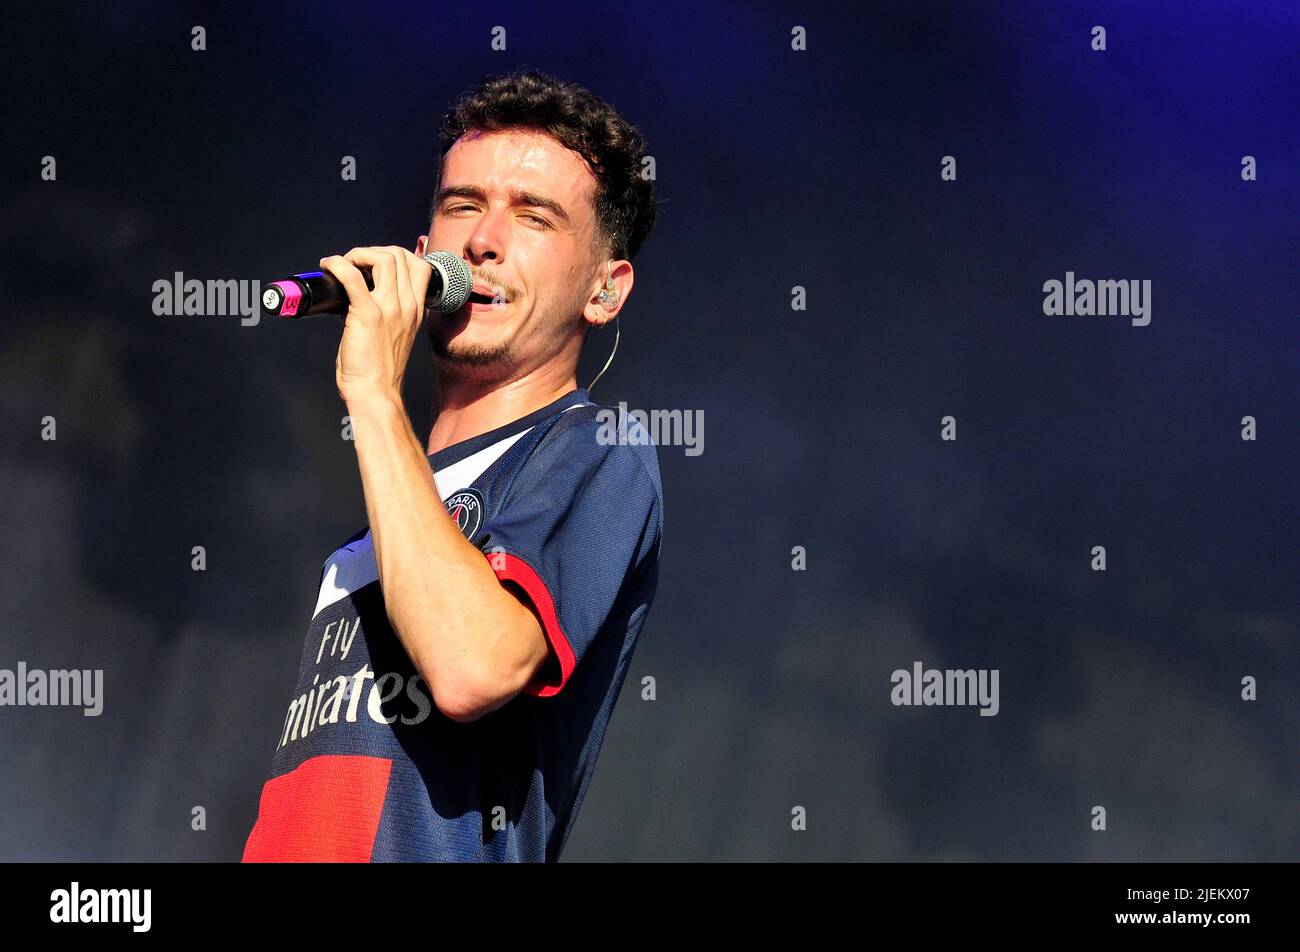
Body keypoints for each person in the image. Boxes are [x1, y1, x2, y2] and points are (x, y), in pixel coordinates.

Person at [241, 68, 661, 862]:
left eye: (534, 216)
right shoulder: (392, 509)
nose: (482, 240)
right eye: (463, 204)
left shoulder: (599, 452)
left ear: (605, 291)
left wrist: (371, 391)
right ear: (425, 247)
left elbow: (471, 668)